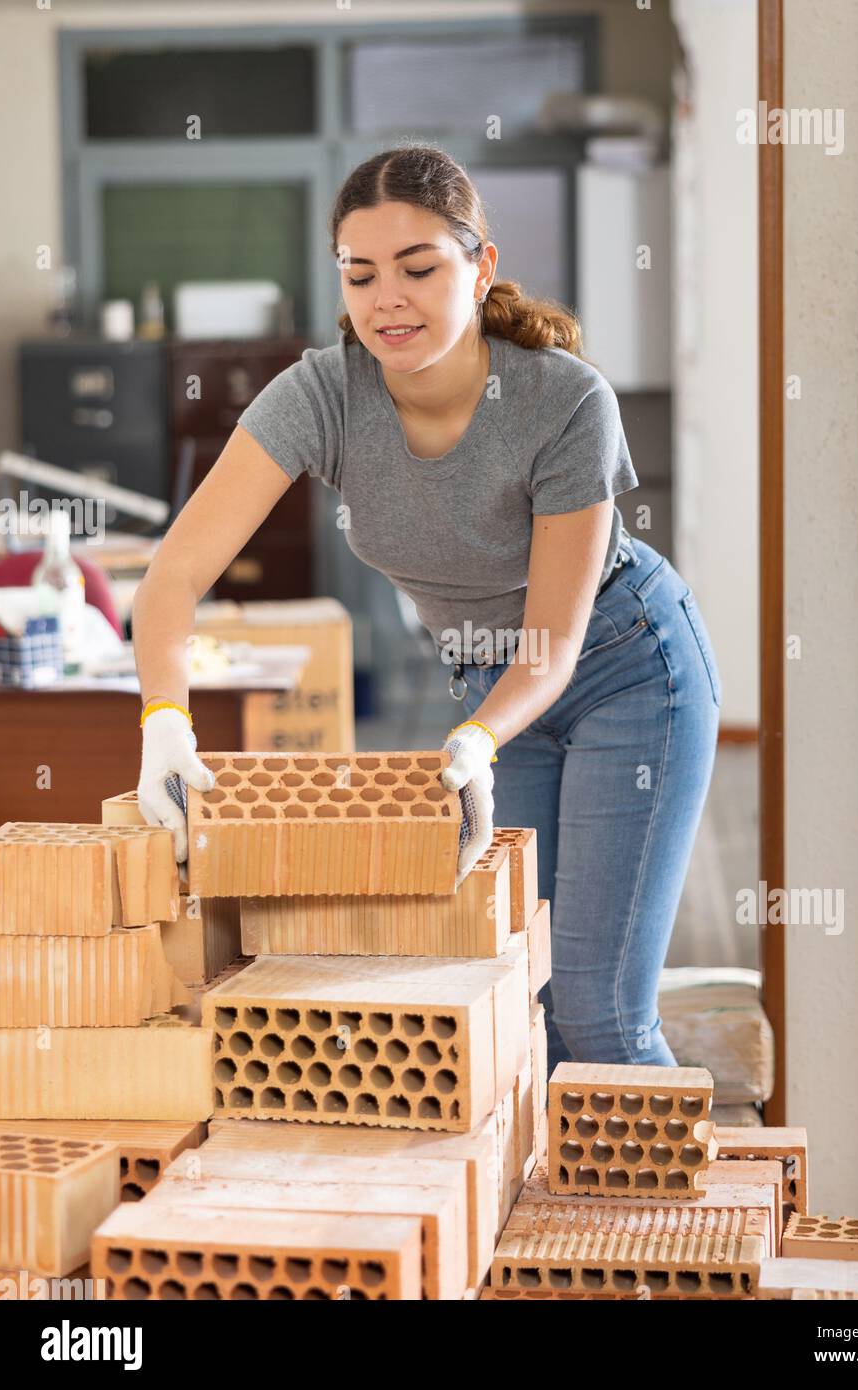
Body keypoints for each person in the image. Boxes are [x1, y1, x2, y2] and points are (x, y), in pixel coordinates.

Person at [133, 144, 721, 1070]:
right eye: (360, 275)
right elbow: (173, 578)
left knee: (599, 1012)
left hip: (624, 668)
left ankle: (661, 1209)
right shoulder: (323, 396)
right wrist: (164, 718)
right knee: (515, 994)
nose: (387, 300)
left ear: (480, 267)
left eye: (419, 268)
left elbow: (554, 644)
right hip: (495, 691)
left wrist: (482, 737)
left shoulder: (563, 403)